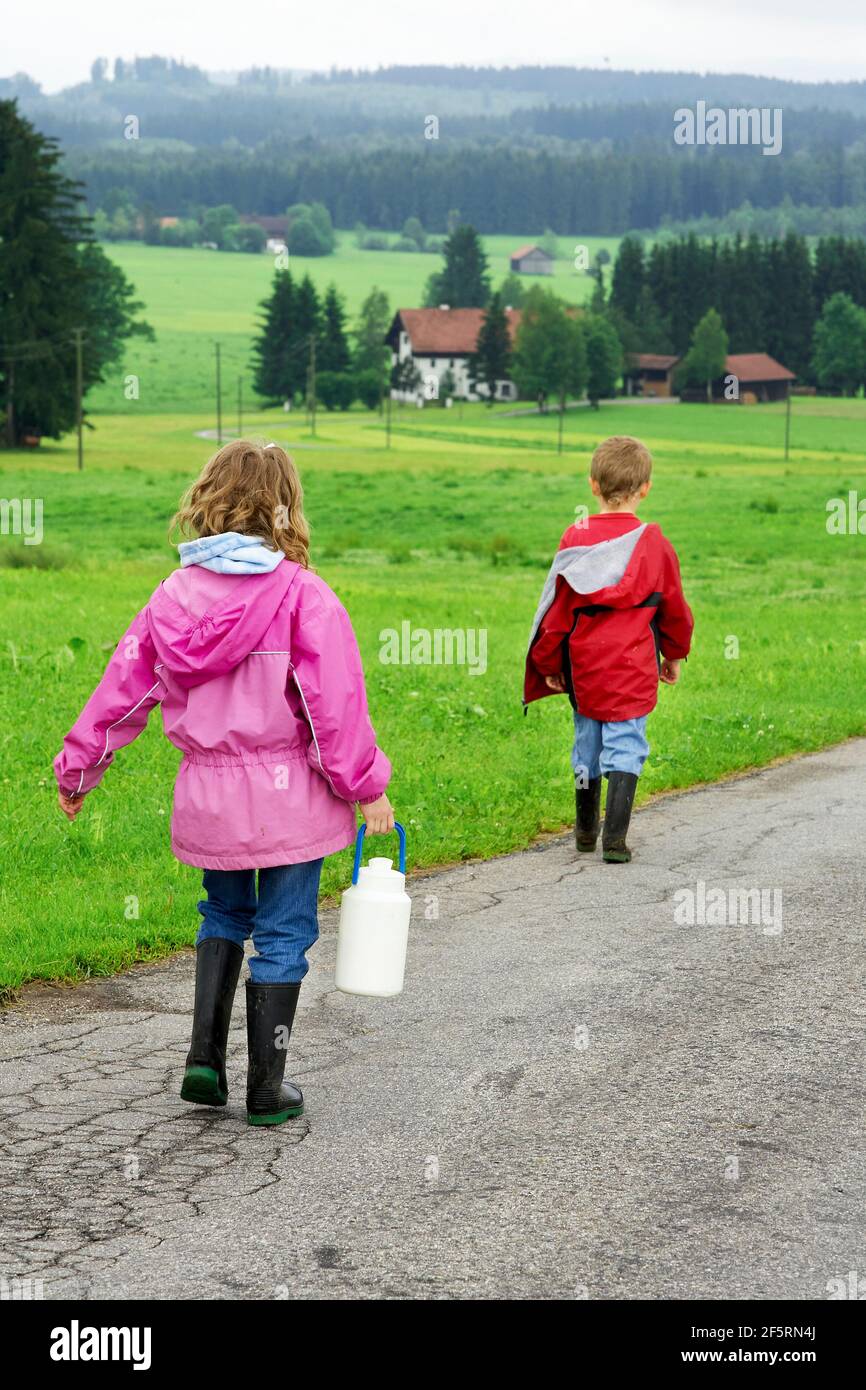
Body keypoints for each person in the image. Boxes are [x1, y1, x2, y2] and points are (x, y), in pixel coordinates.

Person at [54, 440, 393, 1126]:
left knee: (222, 915)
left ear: (207, 499)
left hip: (210, 798)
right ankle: (267, 1088)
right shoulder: (304, 595)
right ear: (285, 507)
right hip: (290, 799)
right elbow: (334, 711)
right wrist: (365, 785)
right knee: (285, 931)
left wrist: (81, 766)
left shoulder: (171, 597)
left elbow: (123, 690)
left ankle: (203, 1062)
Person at [524, 435, 693, 863]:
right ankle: (614, 840)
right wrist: (673, 654)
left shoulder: (575, 538)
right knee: (626, 744)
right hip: (634, 668)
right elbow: (674, 608)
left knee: (587, 747)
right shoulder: (655, 545)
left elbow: (556, 612)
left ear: (593, 486)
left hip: (585, 668)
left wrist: (547, 662)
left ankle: (584, 832)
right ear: (645, 488)